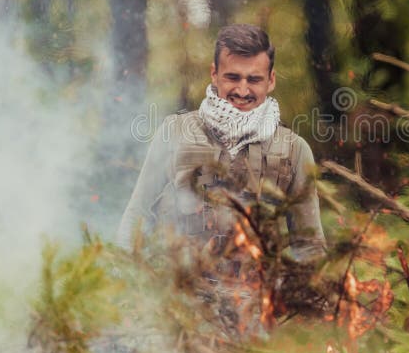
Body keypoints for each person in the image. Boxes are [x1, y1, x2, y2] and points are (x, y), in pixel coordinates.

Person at [116, 24, 327, 263]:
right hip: (178, 293)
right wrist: (124, 277)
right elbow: (137, 215)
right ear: (214, 74)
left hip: (258, 295)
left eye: (254, 79)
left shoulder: (295, 150)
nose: (242, 89)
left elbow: (309, 245)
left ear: (271, 80)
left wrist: (316, 296)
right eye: (233, 77)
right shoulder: (173, 133)